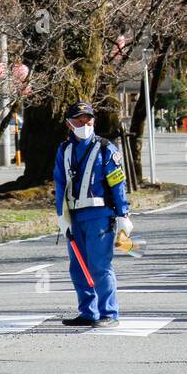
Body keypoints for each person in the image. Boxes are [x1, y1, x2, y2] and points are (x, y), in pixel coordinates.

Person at [53, 101, 130, 328]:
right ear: (69, 123)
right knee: (78, 267)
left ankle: (109, 312)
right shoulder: (64, 150)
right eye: (78, 119)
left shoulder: (106, 148)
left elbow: (117, 183)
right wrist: (61, 217)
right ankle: (88, 312)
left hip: (100, 215)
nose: (84, 123)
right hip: (74, 217)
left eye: (88, 119)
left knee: (100, 265)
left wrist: (123, 214)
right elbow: (59, 184)